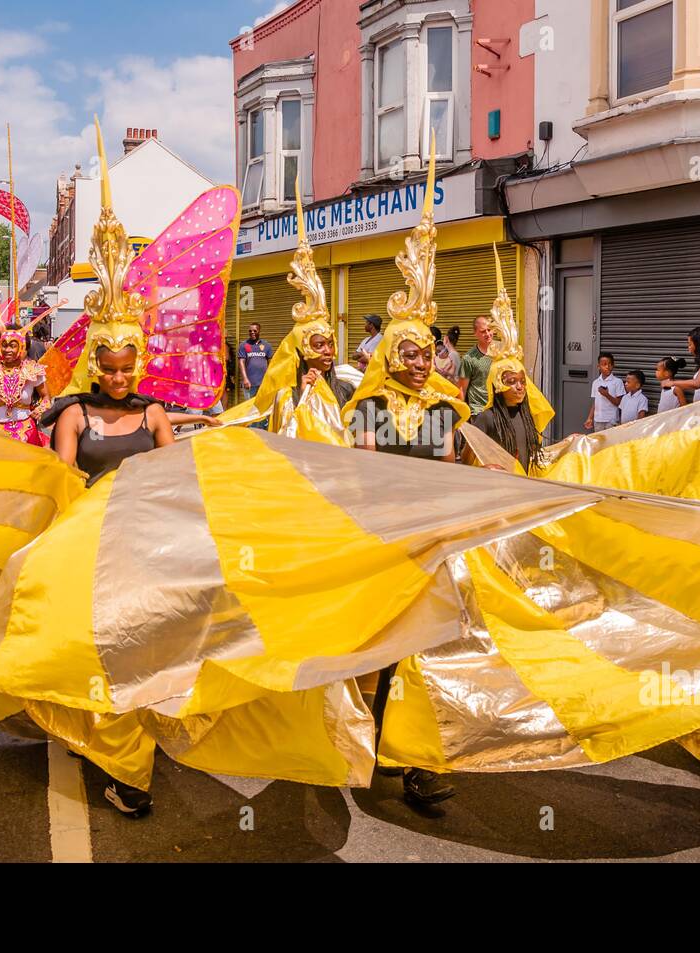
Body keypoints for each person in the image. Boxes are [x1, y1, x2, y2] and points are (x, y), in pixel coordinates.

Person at [44, 118, 216, 816]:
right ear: (95, 364)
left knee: (143, 656)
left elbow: (175, 483)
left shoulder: (152, 416)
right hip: (90, 554)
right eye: (107, 368)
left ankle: (130, 752)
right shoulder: (73, 417)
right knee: (102, 656)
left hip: (143, 551)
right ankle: (124, 765)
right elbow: (60, 487)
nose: (118, 379)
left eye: (126, 368)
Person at [341, 149, 470, 807]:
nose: (422, 362)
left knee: (422, 651)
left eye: (428, 352)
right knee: (378, 651)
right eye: (410, 353)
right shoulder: (368, 405)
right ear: (390, 356)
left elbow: (450, 467)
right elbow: (362, 473)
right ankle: (368, 736)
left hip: (431, 540)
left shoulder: (445, 407)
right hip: (384, 539)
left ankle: (416, 758)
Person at [223, 179, 355, 444]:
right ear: (301, 351)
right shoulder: (287, 395)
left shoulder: (347, 387)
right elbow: (283, 438)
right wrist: (301, 394)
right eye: (319, 345)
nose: (328, 351)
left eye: (330, 344)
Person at [463, 245, 555, 473]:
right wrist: (487, 470)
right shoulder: (487, 418)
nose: (519, 387)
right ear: (498, 385)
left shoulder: (527, 416)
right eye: (511, 381)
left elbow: (535, 456)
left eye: (522, 381)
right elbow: (466, 461)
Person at [0, 320, 51, 446]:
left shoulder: (32, 370)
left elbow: (46, 397)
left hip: (27, 433)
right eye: (4, 345)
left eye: (12, 346)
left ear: (21, 347)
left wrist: (40, 409)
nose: (7, 350)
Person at [456, 315, 494, 414]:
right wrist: (460, 415)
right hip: (479, 411)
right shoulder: (468, 359)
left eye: (489, 330)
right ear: (475, 333)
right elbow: (461, 389)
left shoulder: (502, 351)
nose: (487, 334)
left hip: (499, 411)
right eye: (483, 331)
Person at [585, 351, 623, 431]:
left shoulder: (617, 382)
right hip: (598, 420)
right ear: (598, 366)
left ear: (613, 366)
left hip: (611, 420)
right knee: (599, 442)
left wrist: (606, 395)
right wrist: (590, 418)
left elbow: (618, 403)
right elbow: (595, 402)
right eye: (604, 364)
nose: (607, 367)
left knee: (611, 442)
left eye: (610, 364)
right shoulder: (596, 382)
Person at [238, 322, 271, 404]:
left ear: (259, 331)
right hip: (249, 383)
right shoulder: (243, 345)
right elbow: (241, 362)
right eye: (250, 331)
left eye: (255, 331)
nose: (252, 332)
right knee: (249, 407)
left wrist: (269, 379)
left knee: (262, 405)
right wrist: (245, 379)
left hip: (263, 383)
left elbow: (270, 363)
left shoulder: (266, 345)